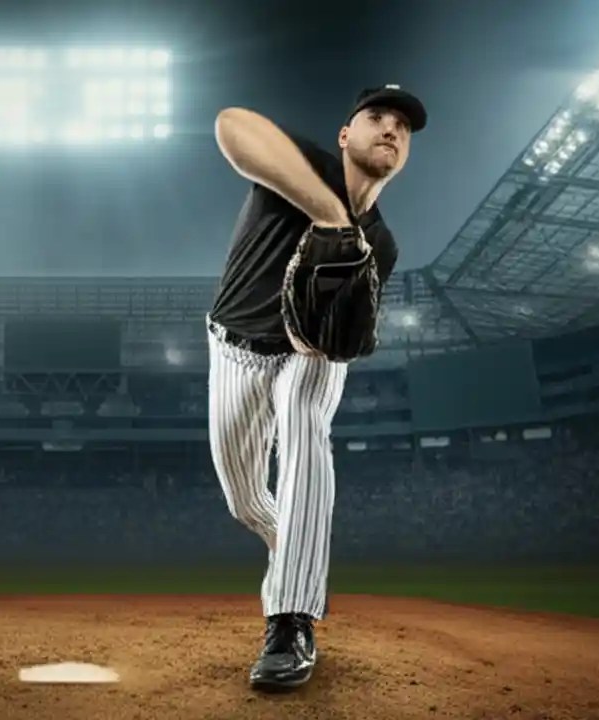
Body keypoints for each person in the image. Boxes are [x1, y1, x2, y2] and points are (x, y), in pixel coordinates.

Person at [205, 85, 426, 691]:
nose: (391, 129)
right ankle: (292, 544)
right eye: (377, 117)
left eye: (403, 127)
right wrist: (331, 215)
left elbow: (345, 338)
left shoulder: (381, 245)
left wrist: (332, 342)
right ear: (344, 136)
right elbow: (231, 125)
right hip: (233, 347)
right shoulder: (298, 164)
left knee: (306, 424)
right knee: (245, 500)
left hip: (307, 357)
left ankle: (290, 619)